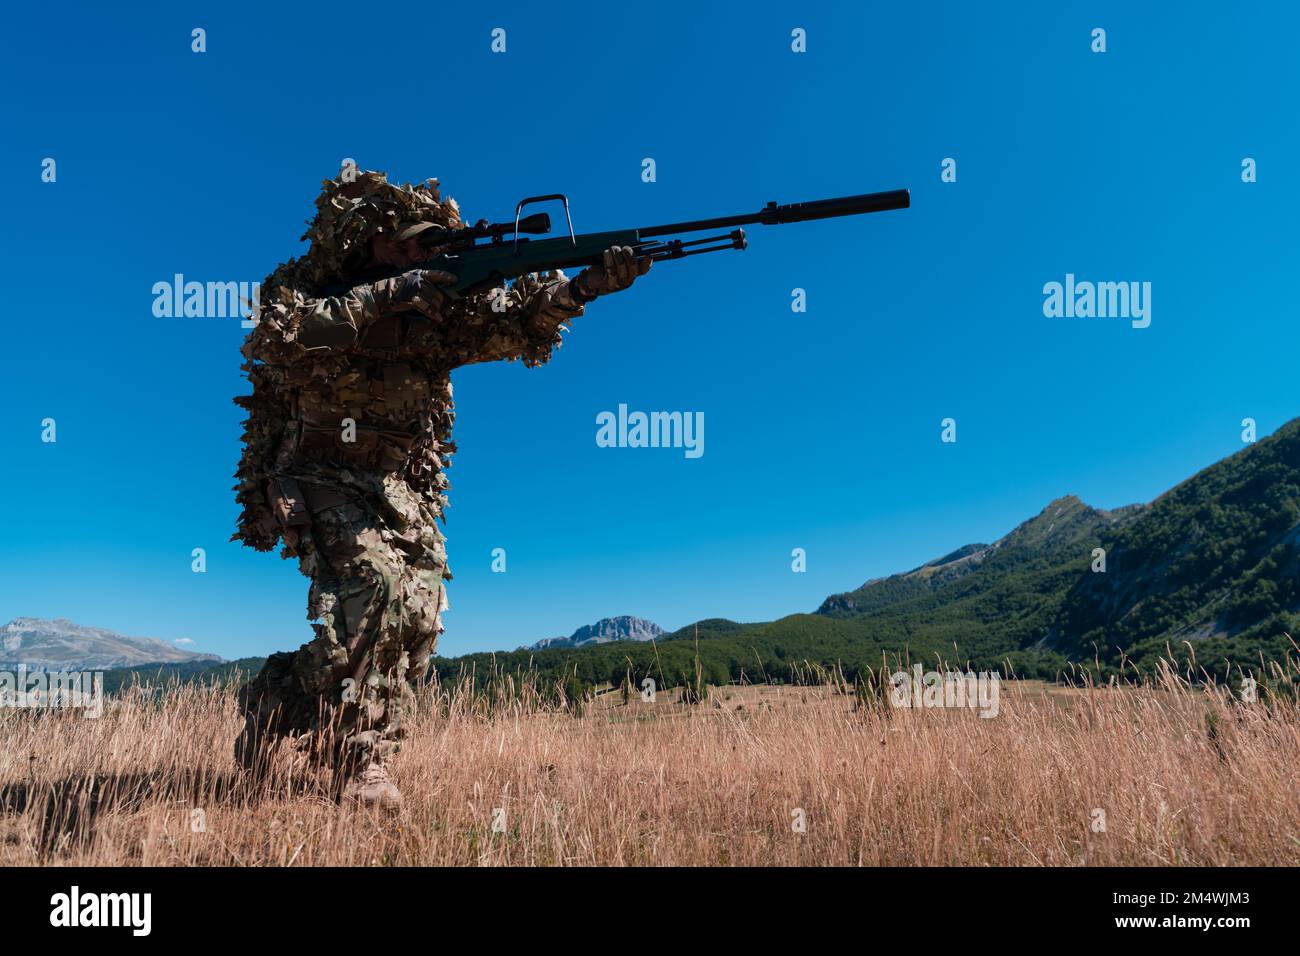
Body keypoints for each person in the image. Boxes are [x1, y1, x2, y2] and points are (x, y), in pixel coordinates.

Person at [231, 170, 650, 808]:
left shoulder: (441, 314)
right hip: (315, 474)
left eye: (425, 247)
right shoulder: (310, 291)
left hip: (399, 486)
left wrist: (589, 284)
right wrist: (386, 296)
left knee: (421, 618)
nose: (417, 256)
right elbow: (278, 334)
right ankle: (362, 765)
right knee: (376, 587)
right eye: (403, 245)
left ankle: (284, 693)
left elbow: (516, 326)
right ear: (367, 242)